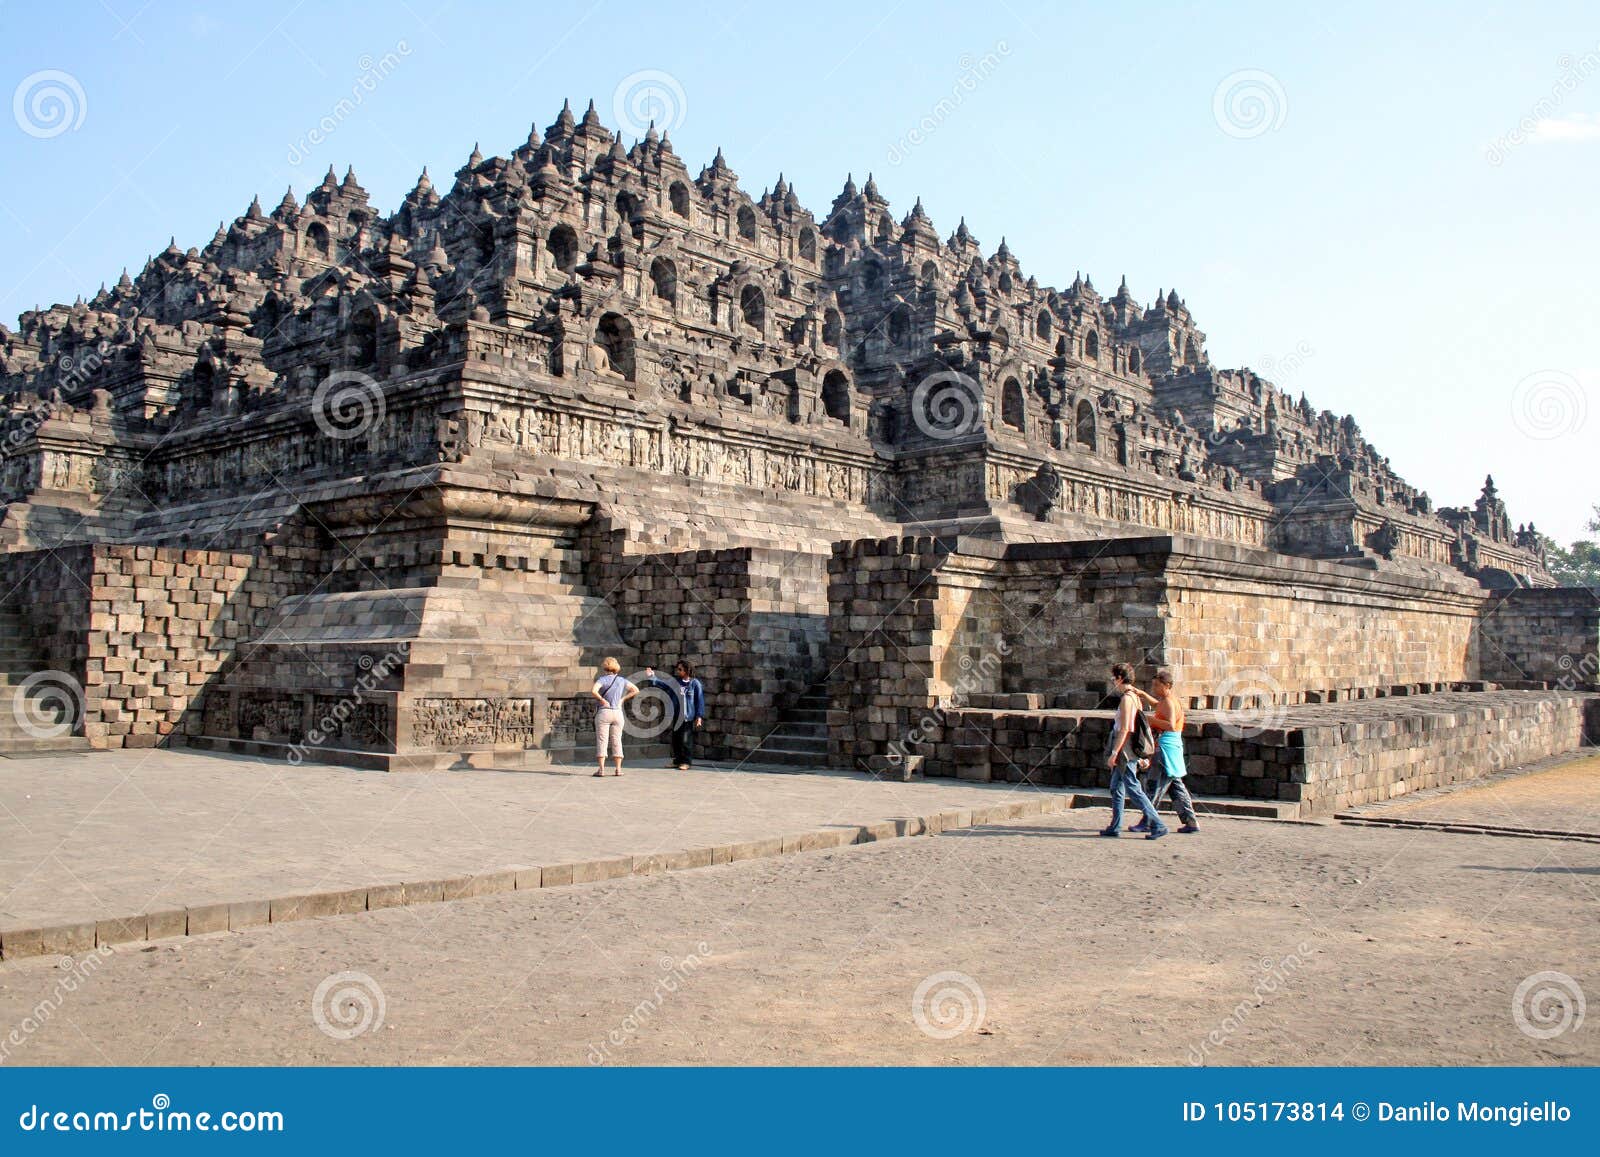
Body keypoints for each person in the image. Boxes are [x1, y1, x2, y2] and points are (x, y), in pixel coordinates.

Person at [1101, 663, 1168, 839]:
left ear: (1119, 678)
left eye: (1113, 678)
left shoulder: (1127, 699)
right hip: (1129, 748)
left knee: (1132, 787)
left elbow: (1126, 728)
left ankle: (1158, 824)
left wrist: (1115, 752)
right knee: (1116, 787)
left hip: (1125, 750)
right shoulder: (1134, 697)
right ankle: (1115, 826)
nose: (1113, 681)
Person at [1129, 669, 1200, 834]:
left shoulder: (1168, 702)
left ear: (1167, 685)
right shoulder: (1167, 701)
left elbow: (1170, 725)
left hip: (1165, 749)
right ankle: (1190, 821)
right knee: (1176, 787)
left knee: (1154, 786)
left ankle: (1148, 821)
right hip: (1172, 748)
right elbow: (1157, 705)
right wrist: (1143, 694)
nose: (1153, 688)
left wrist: (1148, 719)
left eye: (1157, 685)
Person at [645, 660, 705, 770]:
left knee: (686, 740)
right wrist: (652, 676)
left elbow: (699, 701)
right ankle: (677, 761)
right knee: (676, 739)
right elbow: (663, 684)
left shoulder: (695, 684)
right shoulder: (675, 682)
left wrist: (699, 716)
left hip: (687, 717)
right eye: (677, 669)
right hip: (677, 716)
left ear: (687, 670)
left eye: (680, 669)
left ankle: (686, 762)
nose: (678, 671)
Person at [591, 657, 638, 778]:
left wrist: (602, 700)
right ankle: (618, 769)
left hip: (604, 712)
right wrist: (622, 699)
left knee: (602, 740)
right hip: (617, 712)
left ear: (605, 667)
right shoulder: (622, 680)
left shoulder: (602, 679)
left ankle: (601, 769)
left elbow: (594, 691)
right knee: (617, 740)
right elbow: (635, 690)